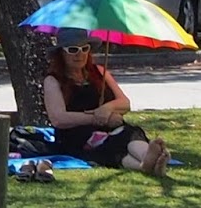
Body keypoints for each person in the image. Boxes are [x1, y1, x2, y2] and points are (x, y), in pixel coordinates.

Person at [42, 27, 169, 175]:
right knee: (109, 143)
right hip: (77, 134)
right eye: (72, 50)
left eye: (84, 49)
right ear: (61, 53)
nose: (79, 54)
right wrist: (97, 118)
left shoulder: (99, 71)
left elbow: (124, 103)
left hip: (111, 126)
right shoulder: (53, 80)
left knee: (130, 132)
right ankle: (146, 165)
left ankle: (147, 158)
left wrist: (107, 109)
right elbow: (58, 118)